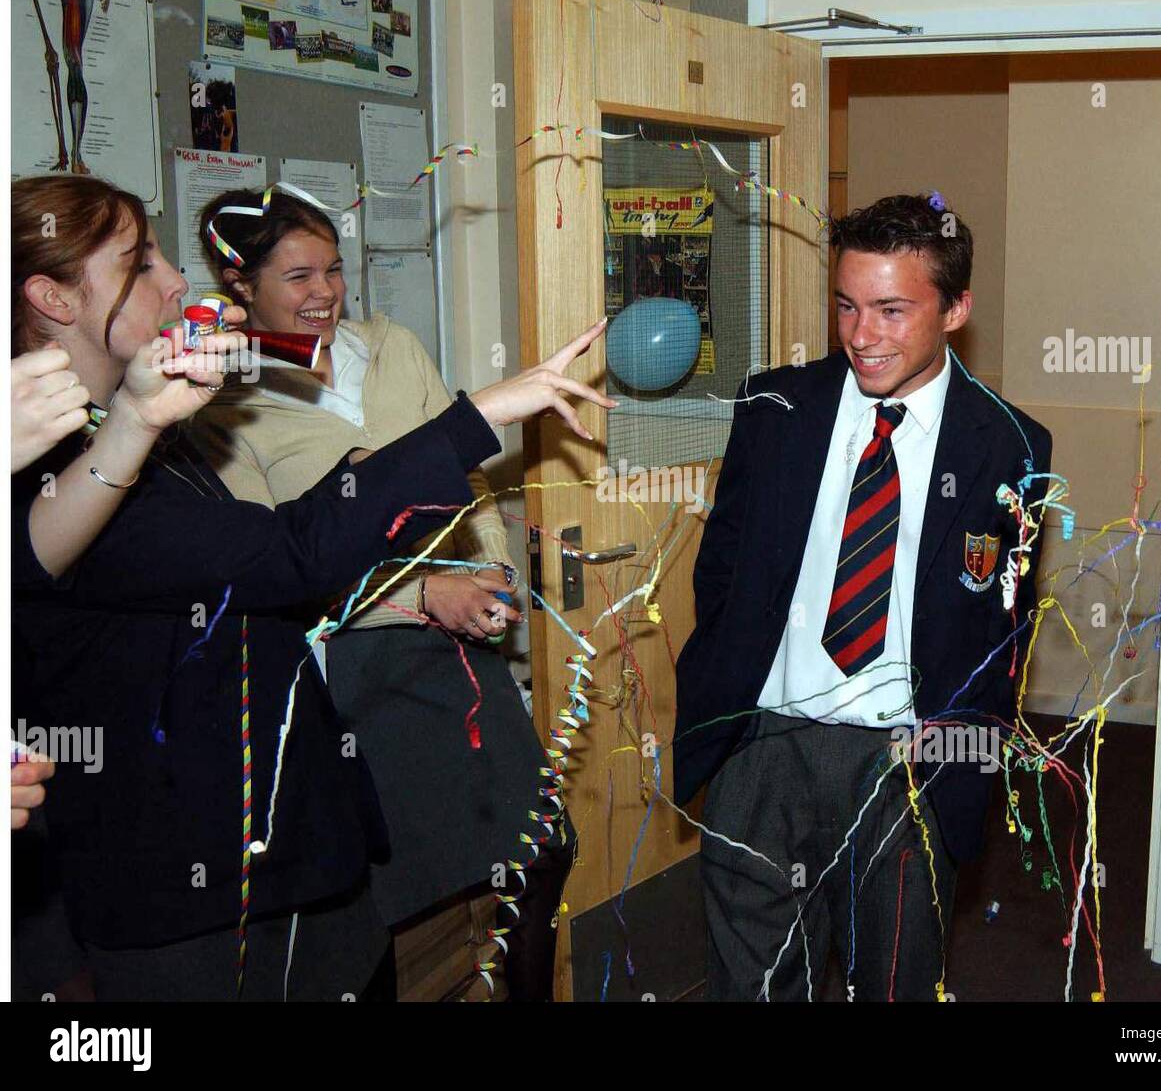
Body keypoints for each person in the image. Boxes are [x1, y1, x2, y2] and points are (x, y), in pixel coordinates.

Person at [11, 174, 613, 1001]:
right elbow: (286, 557)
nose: (173, 278)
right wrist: (486, 413)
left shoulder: (132, 424)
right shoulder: (62, 472)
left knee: (536, 853)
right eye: (139, 260)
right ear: (53, 297)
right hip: (193, 884)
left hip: (283, 842)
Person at [188, 187, 573, 1000]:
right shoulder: (220, 407)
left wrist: (491, 567)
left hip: (462, 647)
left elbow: (463, 472)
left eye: (332, 269)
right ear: (240, 289)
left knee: (541, 853)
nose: (323, 291)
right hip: (353, 672)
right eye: (297, 276)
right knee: (387, 904)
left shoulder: (391, 346)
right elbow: (272, 566)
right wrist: (423, 594)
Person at [674, 193, 1052, 1001]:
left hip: (908, 763)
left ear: (956, 309)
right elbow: (722, 569)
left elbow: (1003, 628)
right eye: (845, 306)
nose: (861, 335)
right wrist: (735, 720)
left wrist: (962, 755)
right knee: (756, 983)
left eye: (891, 309)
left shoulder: (1011, 446)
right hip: (765, 747)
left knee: (894, 981)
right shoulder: (774, 408)